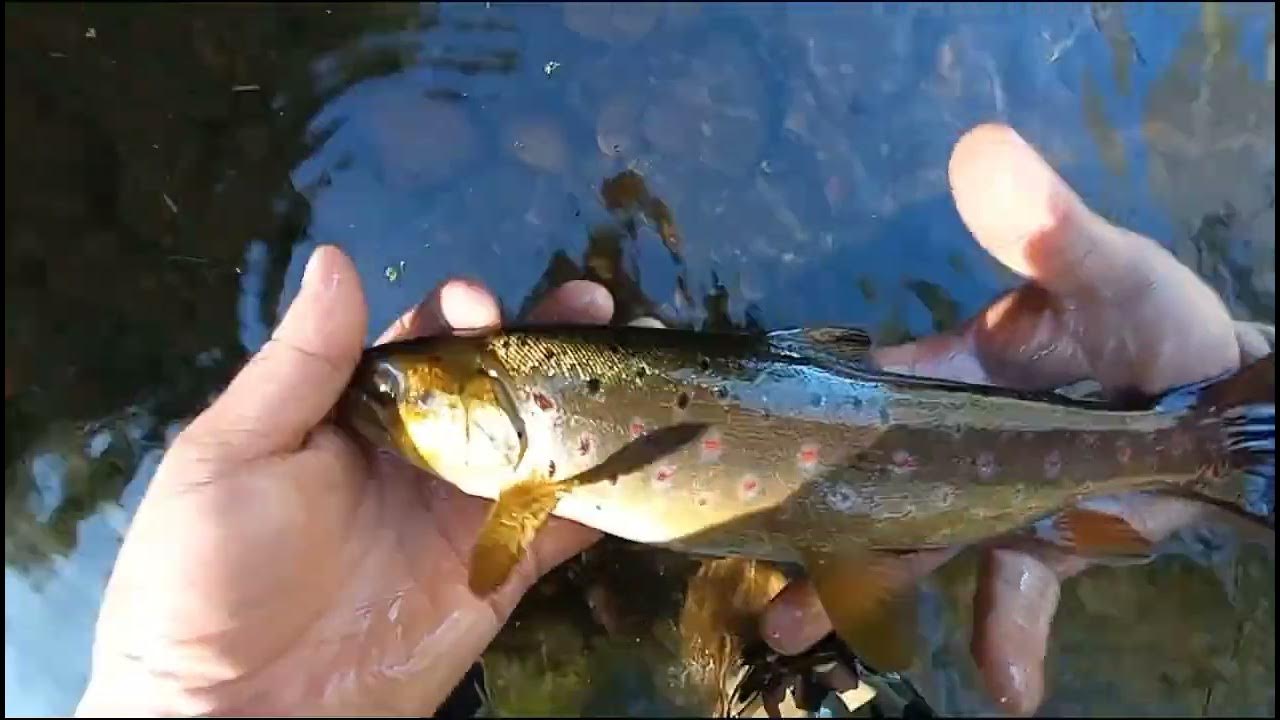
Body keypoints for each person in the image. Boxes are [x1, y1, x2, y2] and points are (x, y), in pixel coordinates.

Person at [75, 124, 1273, 717]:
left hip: (911, 445)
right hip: (934, 451)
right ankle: (1206, 438)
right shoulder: (519, 493)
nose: (372, 398)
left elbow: (502, 538)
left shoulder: (522, 506)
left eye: (397, 396)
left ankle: (1207, 440)